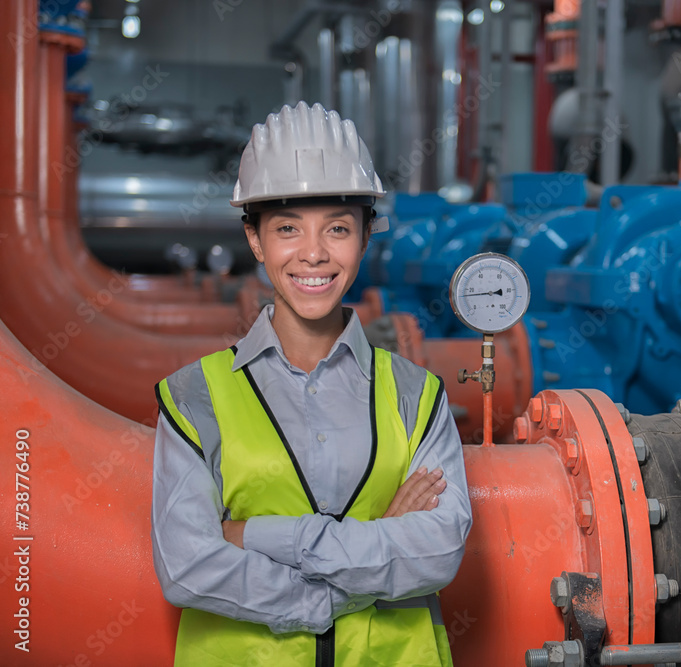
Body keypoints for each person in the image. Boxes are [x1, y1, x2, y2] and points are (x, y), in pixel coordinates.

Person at [150, 101, 472, 667]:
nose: (315, 253)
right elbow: (188, 566)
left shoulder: (417, 396)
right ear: (255, 239)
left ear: (367, 236)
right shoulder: (193, 398)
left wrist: (254, 536)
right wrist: (365, 556)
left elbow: (439, 551)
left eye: (339, 228)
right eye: (288, 228)